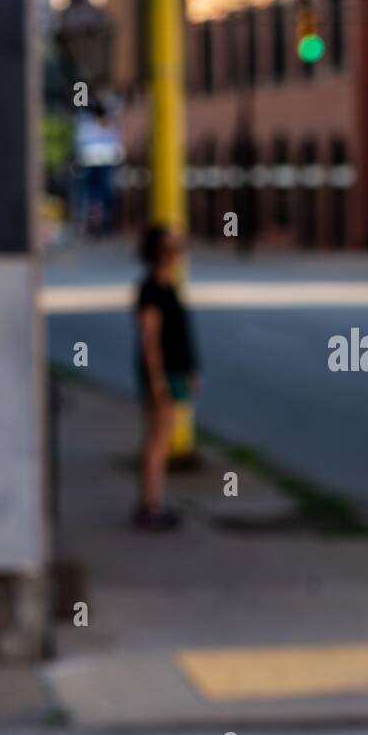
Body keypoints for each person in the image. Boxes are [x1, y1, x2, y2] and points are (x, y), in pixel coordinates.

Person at [134, 225, 199, 530]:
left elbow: (180, 336)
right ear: (159, 254)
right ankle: (151, 505)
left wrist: (190, 369)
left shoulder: (168, 286)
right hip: (162, 375)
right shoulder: (151, 290)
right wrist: (158, 380)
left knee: (160, 439)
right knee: (158, 442)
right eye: (171, 250)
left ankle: (152, 501)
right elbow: (150, 341)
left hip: (173, 373)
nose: (177, 255)